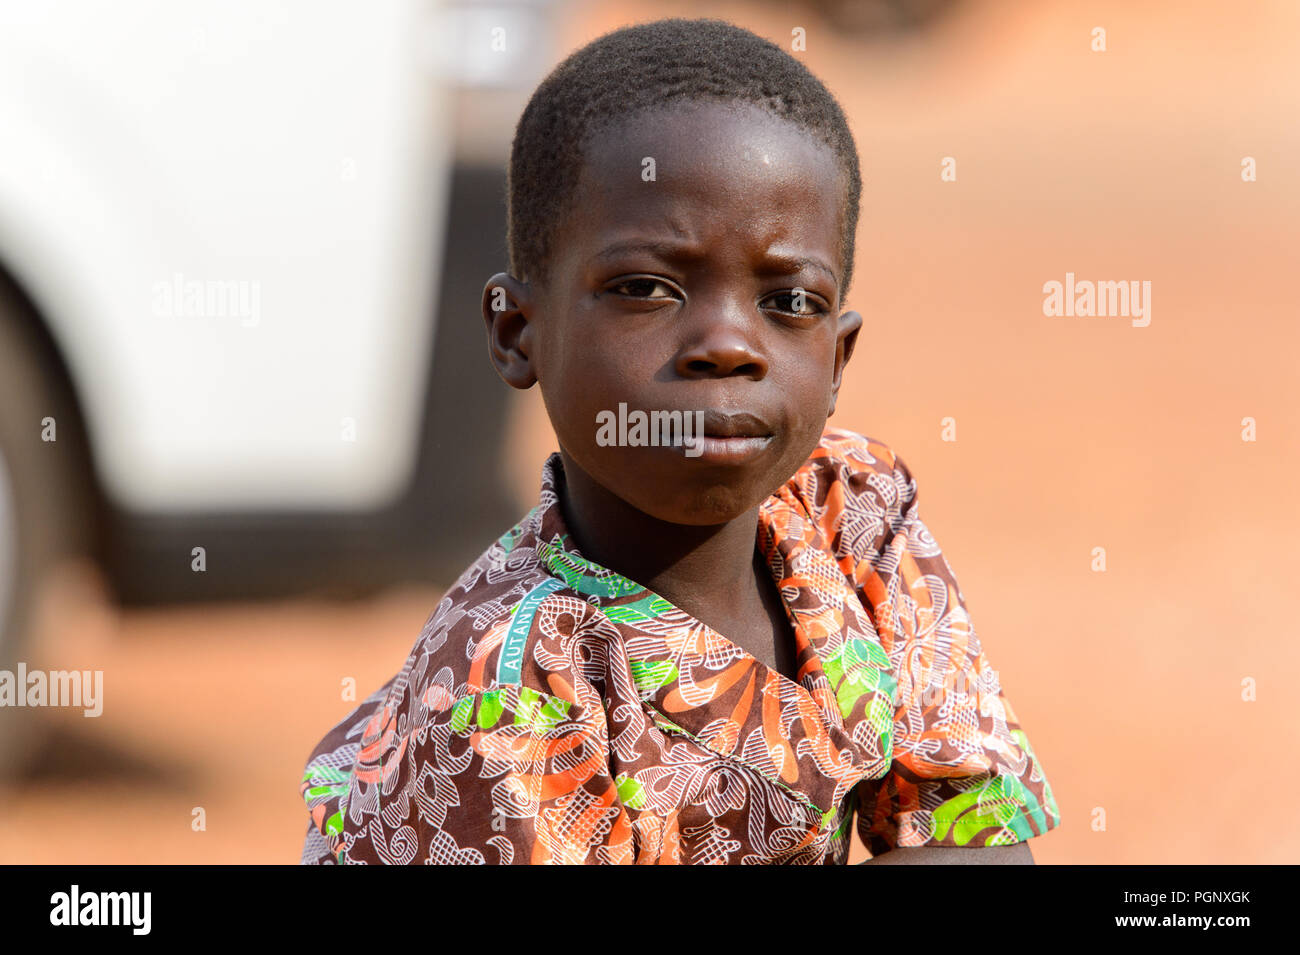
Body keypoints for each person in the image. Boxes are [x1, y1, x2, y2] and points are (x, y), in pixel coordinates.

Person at [298, 17, 1060, 865]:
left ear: (838, 358)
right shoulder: (506, 688)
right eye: (647, 288)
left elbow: (966, 831)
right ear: (518, 331)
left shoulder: (852, 510)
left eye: (789, 303)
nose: (728, 345)